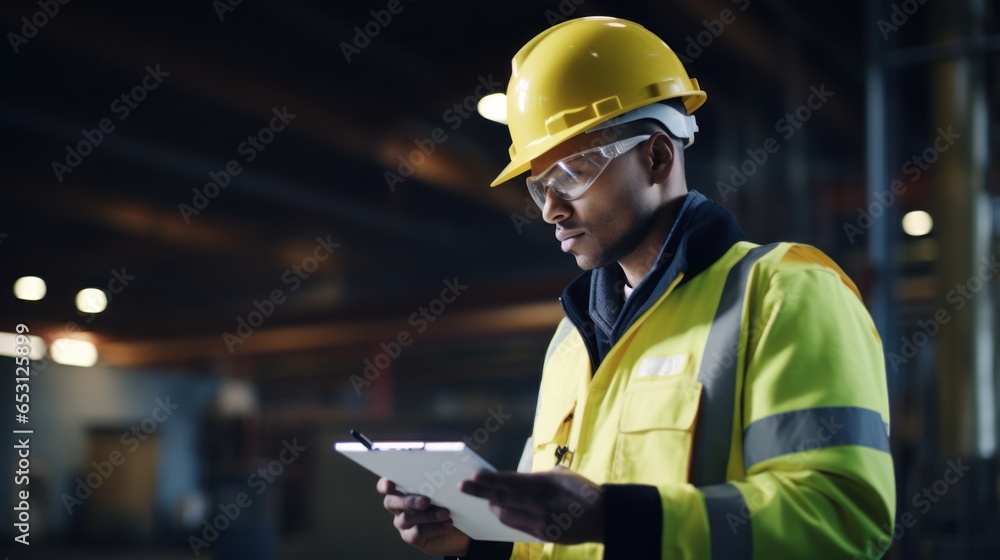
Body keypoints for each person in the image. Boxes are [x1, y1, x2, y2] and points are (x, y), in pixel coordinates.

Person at [378, 16, 895, 559]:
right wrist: (474, 541)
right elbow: (555, 542)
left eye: (573, 171)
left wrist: (618, 517)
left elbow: (842, 520)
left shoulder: (782, 294)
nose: (553, 208)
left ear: (657, 156)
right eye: (541, 186)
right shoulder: (569, 344)